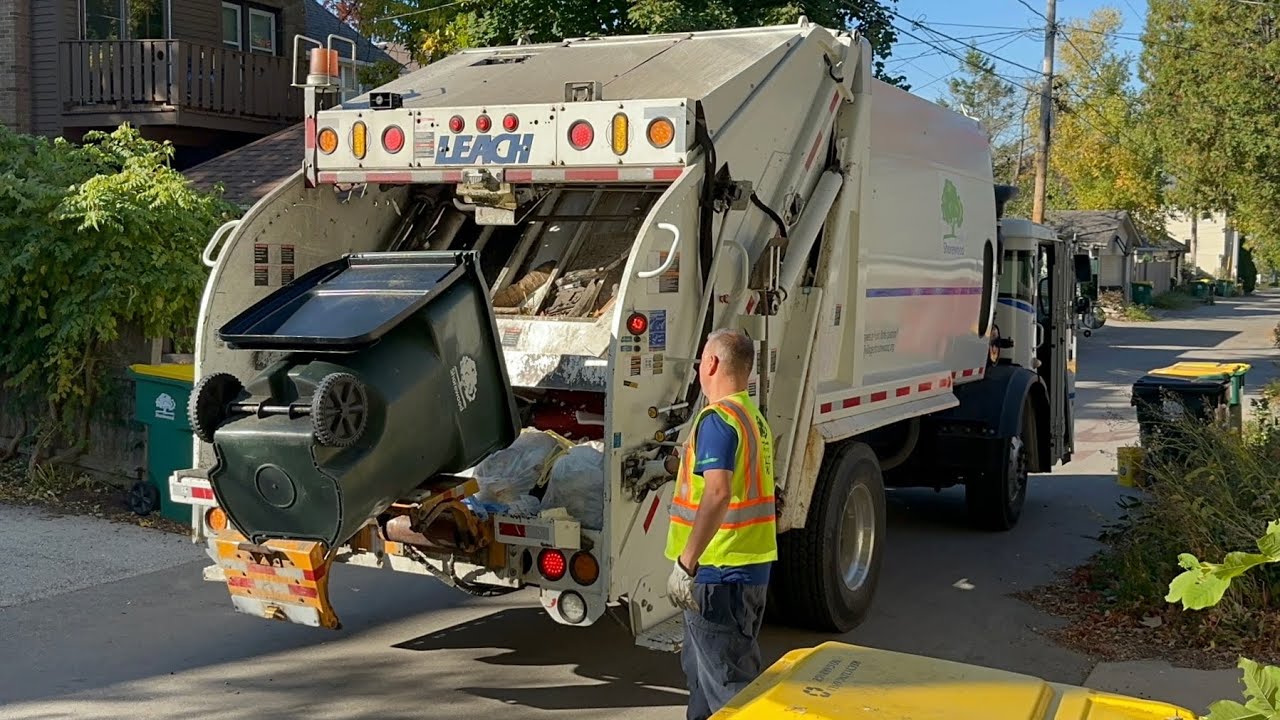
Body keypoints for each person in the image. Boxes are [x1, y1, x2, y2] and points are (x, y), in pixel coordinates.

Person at [664, 328, 777, 720]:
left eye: (701, 359)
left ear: (712, 363)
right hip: (744, 571)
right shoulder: (751, 418)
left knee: (730, 693)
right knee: (702, 680)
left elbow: (717, 493)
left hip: (717, 574)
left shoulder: (716, 420)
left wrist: (685, 564)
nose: (698, 366)